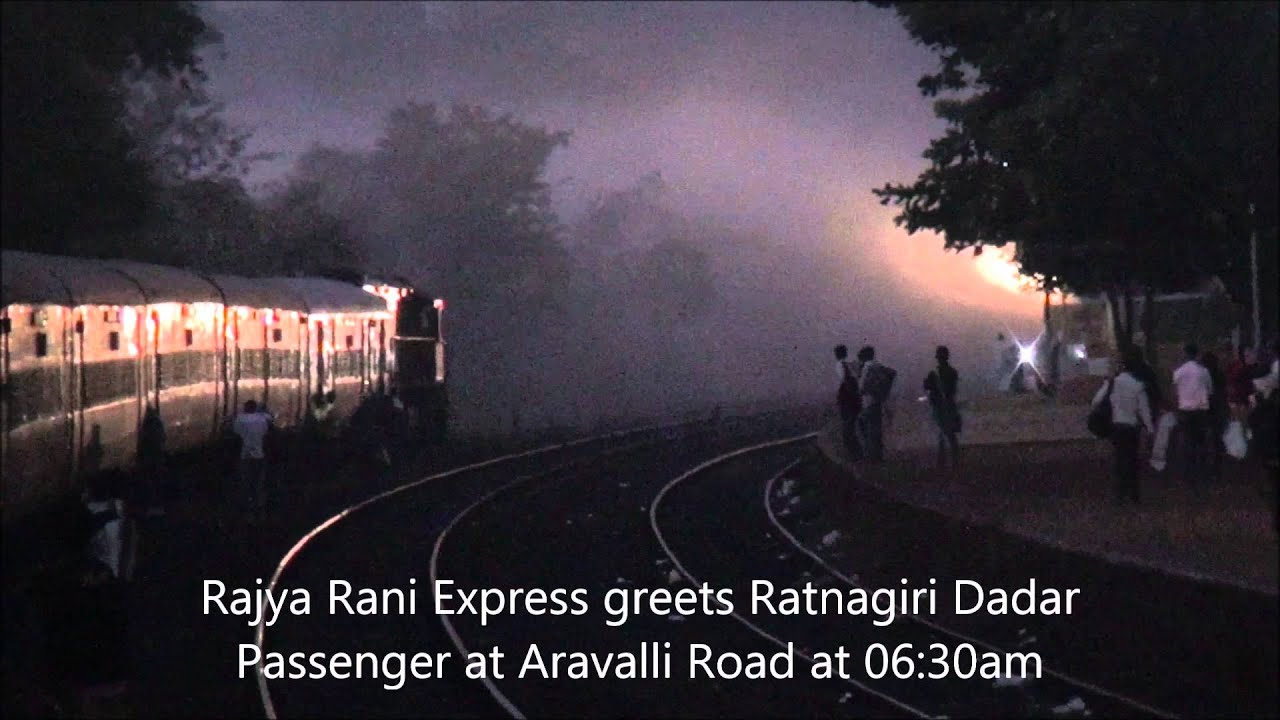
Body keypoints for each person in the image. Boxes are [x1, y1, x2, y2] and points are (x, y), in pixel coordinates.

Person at [1092, 346, 1155, 504]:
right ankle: (1134, 494)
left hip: (1116, 426)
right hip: (1132, 427)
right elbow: (1144, 409)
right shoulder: (1137, 385)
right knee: (1133, 460)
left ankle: (1120, 493)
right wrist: (1150, 428)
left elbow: (1096, 401)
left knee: (1119, 460)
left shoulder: (1113, 383)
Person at [1172, 343, 1213, 488]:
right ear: (1197, 354)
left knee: (1186, 440)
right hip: (1201, 410)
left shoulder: (1179, 372)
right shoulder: (1204, 371)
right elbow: (1209, 391)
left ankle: (1187, 474)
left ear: (1184, 354)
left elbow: (1175, 391)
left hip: (1185, 410)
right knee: (1201, 441)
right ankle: (1201, 472)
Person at [232, 399, 273, 522]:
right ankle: (259, 508)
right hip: (259, 456)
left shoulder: (240, 419)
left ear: (245, 408)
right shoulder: (262, 420)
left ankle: (247, 509)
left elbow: (236, 432)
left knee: (246, 482)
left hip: (245, 456)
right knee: (259, 483)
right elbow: (268, 427)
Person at [924, 345, 961, 469]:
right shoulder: (953, 372)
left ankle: (941, 461)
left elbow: (927, 387)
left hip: (938, 406)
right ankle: (954, 460)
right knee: (950, 434)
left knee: (941, 433)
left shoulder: (933, 373)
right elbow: (953, 390)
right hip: (950, 405)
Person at [857, 346, 895, 462]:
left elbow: (862, 387)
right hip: (878, 401)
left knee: (866, 428)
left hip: (869, 401)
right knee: (876, 429)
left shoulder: (867, 367)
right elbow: (892, 373)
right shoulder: (879, 366)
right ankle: (878, 455)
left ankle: (872, 456)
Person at [833, 345, 863, 461]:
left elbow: (845, 381)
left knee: (847, 427)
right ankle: (857, 452)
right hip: (855, 398)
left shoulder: (840, 365)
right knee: (852, 426)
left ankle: (853, 453)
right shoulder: (853, 363)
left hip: (847, 399)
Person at [136, 405, 166, 516]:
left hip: (149, 460)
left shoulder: (147, 426)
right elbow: (163, 438)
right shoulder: (158, 424)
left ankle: (152, 507)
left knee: (150, 483)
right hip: (155, 460)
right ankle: (155, 507)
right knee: (155, 482)